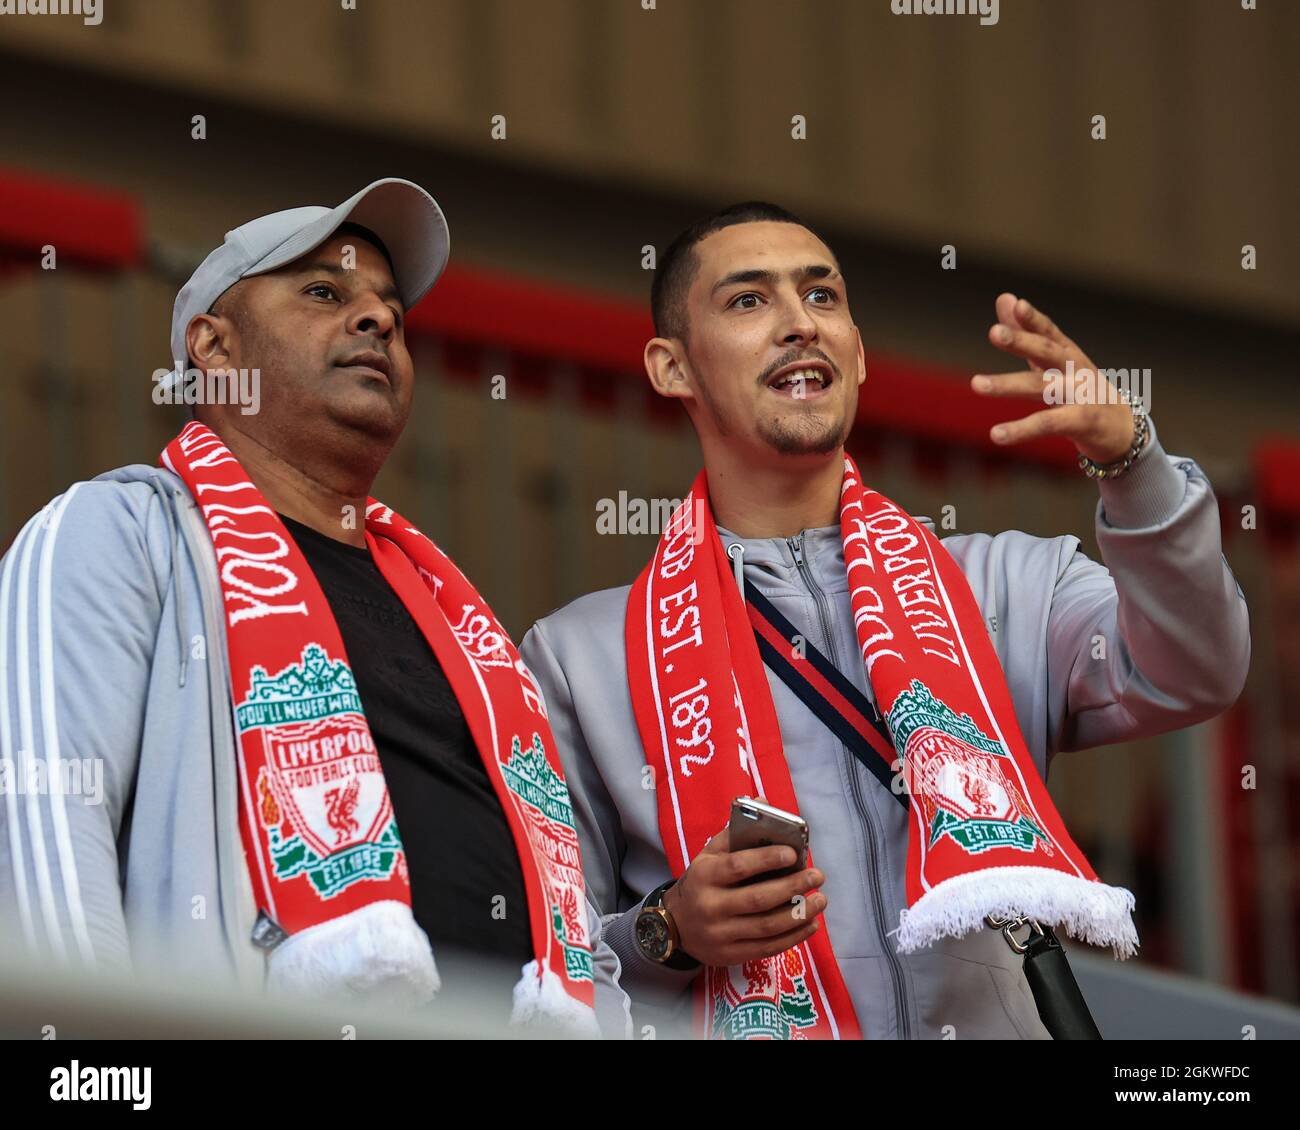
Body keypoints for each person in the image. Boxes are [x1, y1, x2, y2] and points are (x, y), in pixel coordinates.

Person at [519, 201, 1250, 1039]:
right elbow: (550, 969)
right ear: (671, 367)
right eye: (749, 302)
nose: (800, 324)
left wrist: (1135, 464)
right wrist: (670, 933)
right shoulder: (581, 657)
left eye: (822, 297)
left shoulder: (1007, 584)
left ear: (859, 355)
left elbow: (1198, 669)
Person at [0, 179, 628, 1038]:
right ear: (214, 347)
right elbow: (45, 838)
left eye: (393, 317)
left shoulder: (453, 610)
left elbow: (565, 915)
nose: (376, 322)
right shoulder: (117, 530)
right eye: (326, 293)